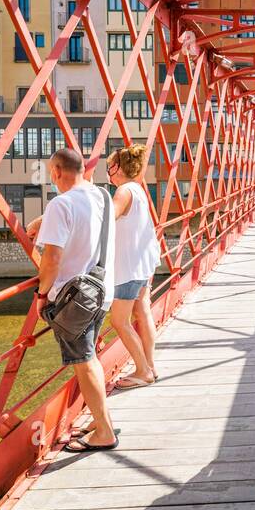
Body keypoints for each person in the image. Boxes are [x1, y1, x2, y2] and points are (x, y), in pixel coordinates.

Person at [29, 148, 117, 451]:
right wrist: (44, 220)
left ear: (56, 171)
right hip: (102, 291)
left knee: (84, 360)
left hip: (74, 300)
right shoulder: (104, 197)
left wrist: (42, 295)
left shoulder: (60, 204)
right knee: (90, 355)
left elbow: (51, 258)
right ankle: (100, 417)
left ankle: (105, 432)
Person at [107, 143, 161, 388]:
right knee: (143, 311)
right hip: (144, 263)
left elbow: (107, 218)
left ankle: (142, 371)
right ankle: (149, 364)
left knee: (119, 321)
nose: (107, 169)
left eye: (109, 165)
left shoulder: (123, 191)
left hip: (128, 266)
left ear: (118, 168)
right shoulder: (138, 190)